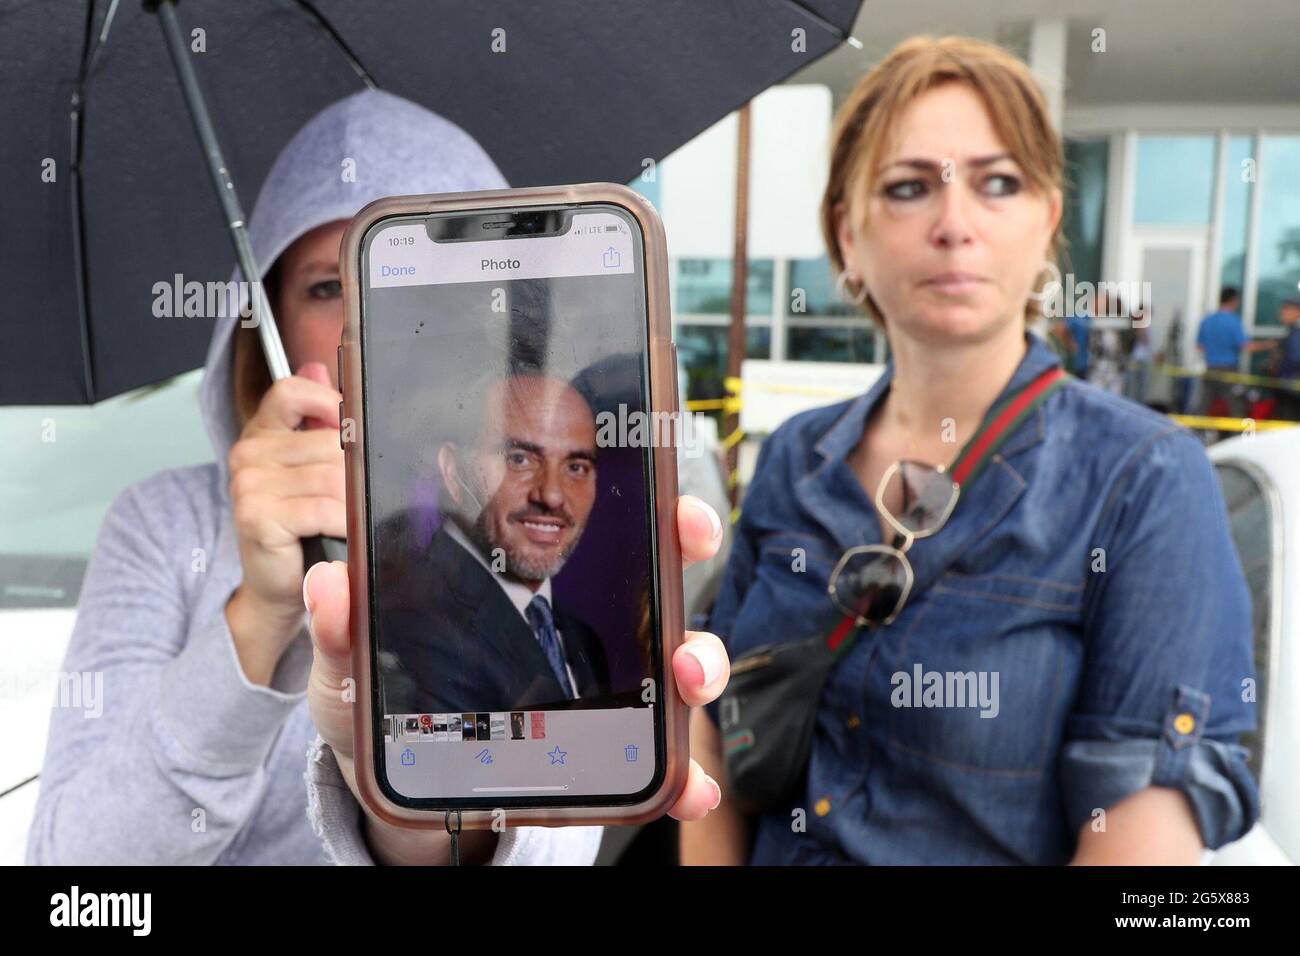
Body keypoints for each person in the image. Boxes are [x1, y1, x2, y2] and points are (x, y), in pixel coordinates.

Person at [29, 89, 731, 865]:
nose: (373, 319)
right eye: (328, 287)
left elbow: (554, 852)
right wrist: (258, 620)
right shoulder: (162, 527)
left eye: (418, 289)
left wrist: (413, 821)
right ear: (263, 321)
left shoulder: (529, 552)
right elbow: (74, 876)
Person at [680, 36, 1259, 866]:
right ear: (847, 237)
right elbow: (714, 725)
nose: (955, 224)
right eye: (910, 188)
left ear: (1048, 220)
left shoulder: (1147, 479)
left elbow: (1146, 832)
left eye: (998, 184)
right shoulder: (796, 458)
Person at [378, 367, 613, 715]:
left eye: (576, 467)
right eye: (519, 459)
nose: (551, 495)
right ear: (454, 472)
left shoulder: (583, 641)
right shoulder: (414, 622)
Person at [1195, 287, 1273, 416]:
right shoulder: (1233, 321)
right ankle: (1237, 435)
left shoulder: (1208, 320)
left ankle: (1194, 433)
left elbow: (1200, 346)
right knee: (1236, 406)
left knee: (1204, 405)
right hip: (1229, 370)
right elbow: (1246, 346)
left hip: (1210, 368)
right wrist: (1269, 344)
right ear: (1234, 300)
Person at [1272, 298, 1300, 422]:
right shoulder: (1292, 331)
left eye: (1286, 310)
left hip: (1291, 387)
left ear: (1297, 312)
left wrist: (1279, 366)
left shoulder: (1296, 332)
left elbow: (1295, 358)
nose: (1281, 313)